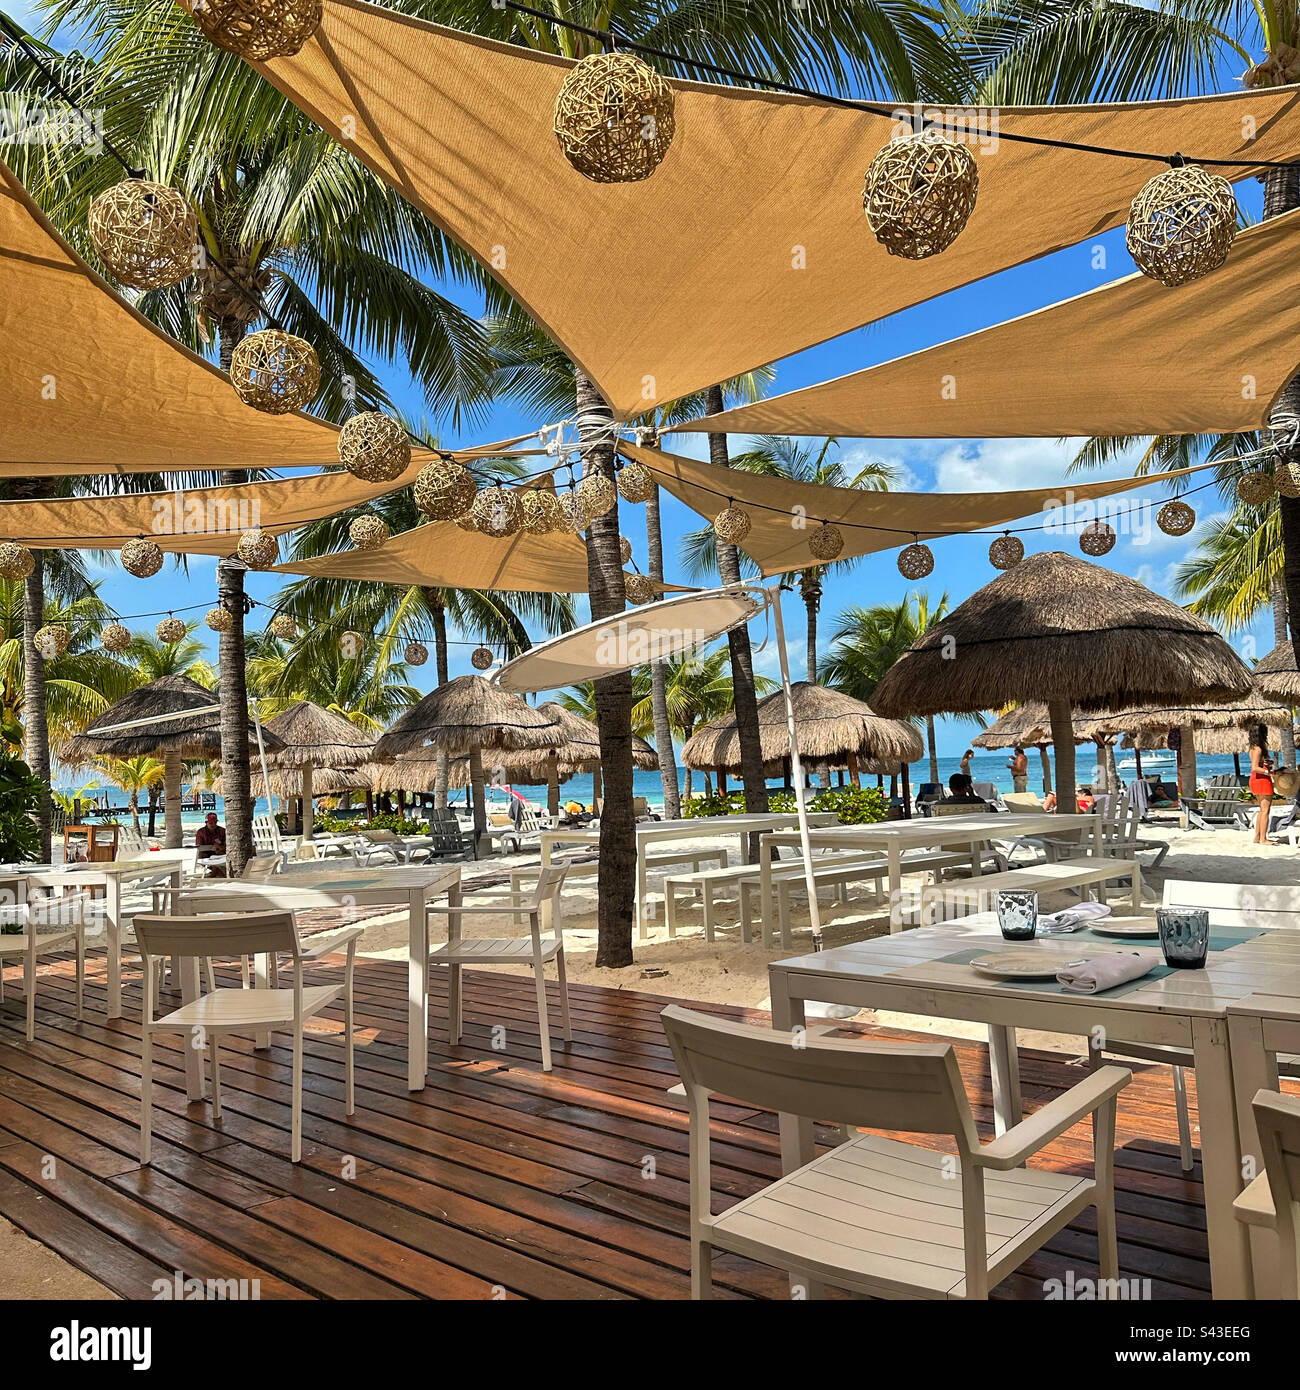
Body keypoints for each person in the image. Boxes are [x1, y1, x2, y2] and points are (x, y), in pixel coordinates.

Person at [1249, 724, 1275, 846]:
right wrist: (1268, 772)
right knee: (1265, 811)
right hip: (1262, 779)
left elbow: (1257, 764)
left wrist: (1266, 764)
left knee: (1262, 810)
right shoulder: (1258, 749)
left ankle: (1258, 836)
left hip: (1256, 779)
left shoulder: (1253, 748)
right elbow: (1255, 768)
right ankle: (1263, 839)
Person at [194, 811, 228, 877]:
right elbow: (199, 848)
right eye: (211, 823)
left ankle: (215, 873)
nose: (213, 824)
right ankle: (215, 873)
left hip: (220, 853)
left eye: (215, 822)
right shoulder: (201, 832)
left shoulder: (222, 831)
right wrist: (211, 848)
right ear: (206, 823)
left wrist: (220, 847)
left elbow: (228, 845)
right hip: (206, 854)